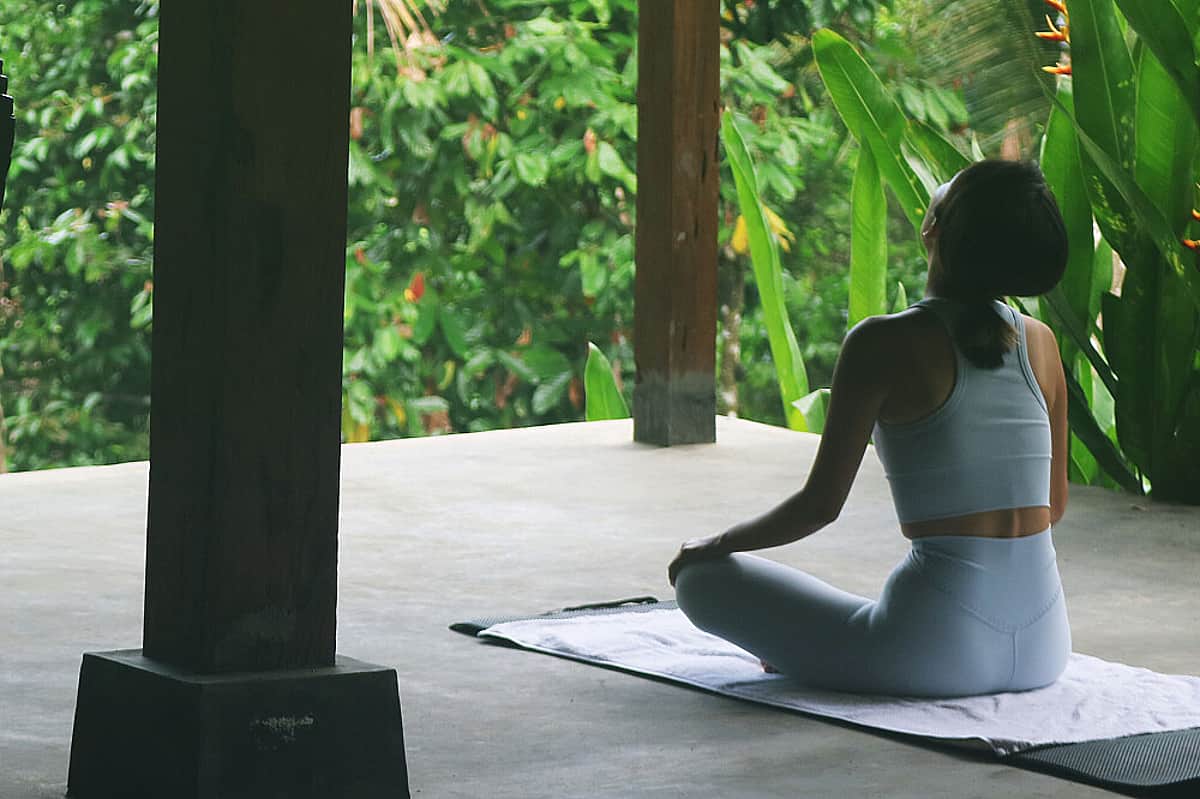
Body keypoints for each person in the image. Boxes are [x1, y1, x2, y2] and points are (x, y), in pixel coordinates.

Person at [669, 159, 1071, 698]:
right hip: (1046, 647)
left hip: (930, 652)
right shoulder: (1040, 343)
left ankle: (811, 652)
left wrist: (713, 544)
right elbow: (1054, 505)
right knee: (852, 612)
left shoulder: (881, 343)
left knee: (702, 582)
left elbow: (819, 506)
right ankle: (819, 648)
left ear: (934, 227)